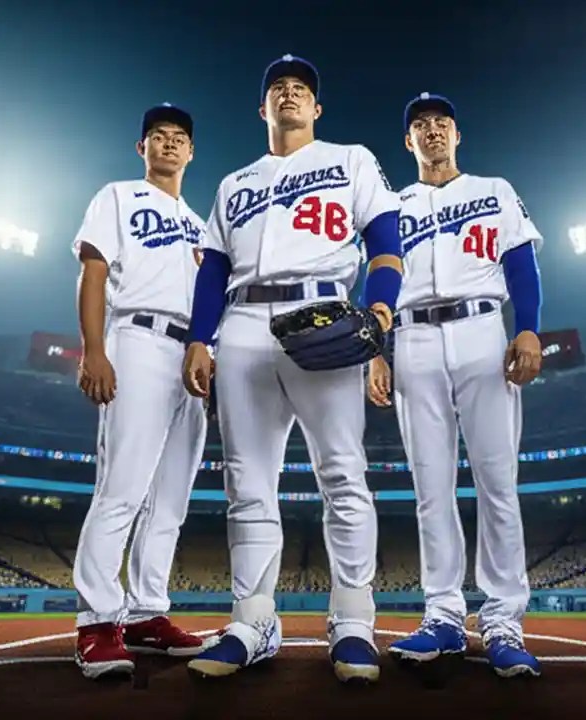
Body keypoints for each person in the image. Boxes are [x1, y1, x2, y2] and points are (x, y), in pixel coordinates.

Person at [180, 55, 403, 684]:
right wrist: (201, 338)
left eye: (301, 88)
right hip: (243, 323)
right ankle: (252, 621)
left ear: (316, 108)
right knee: (247, 483)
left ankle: (354, 621)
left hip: (322, 312)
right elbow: (214, 269)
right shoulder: (232, 183)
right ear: (262, 109)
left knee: (342, 473)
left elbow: (386, 239)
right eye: (277, 87)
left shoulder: (351, 157)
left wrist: (381, 307)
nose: (289, 93)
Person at [369, 93, 544, 678]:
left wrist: (529, 331)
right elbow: (379, 281)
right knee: (431, 487)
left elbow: (521, 263)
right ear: (408, 142)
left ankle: (502, 618)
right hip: (413, 339)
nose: (432, 130)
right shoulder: (391, 206)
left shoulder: (492, 189)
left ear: (457, 134)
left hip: (480, 331)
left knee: (497, 480)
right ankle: (442, 614)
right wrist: (377, 351)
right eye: (420, 125)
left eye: (442, 122)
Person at [71, 103, 213, 679]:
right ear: (143, 148)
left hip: (192, 355)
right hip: (138, 339)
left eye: (180, 137)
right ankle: (98, 621)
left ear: (192, 151)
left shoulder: (202, 224)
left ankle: (147, 613)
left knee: (171, 502)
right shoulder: (117, 197)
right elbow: (94, 270)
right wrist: (94, 348)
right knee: (122, 488)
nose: (171, 144)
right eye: (159, 136)